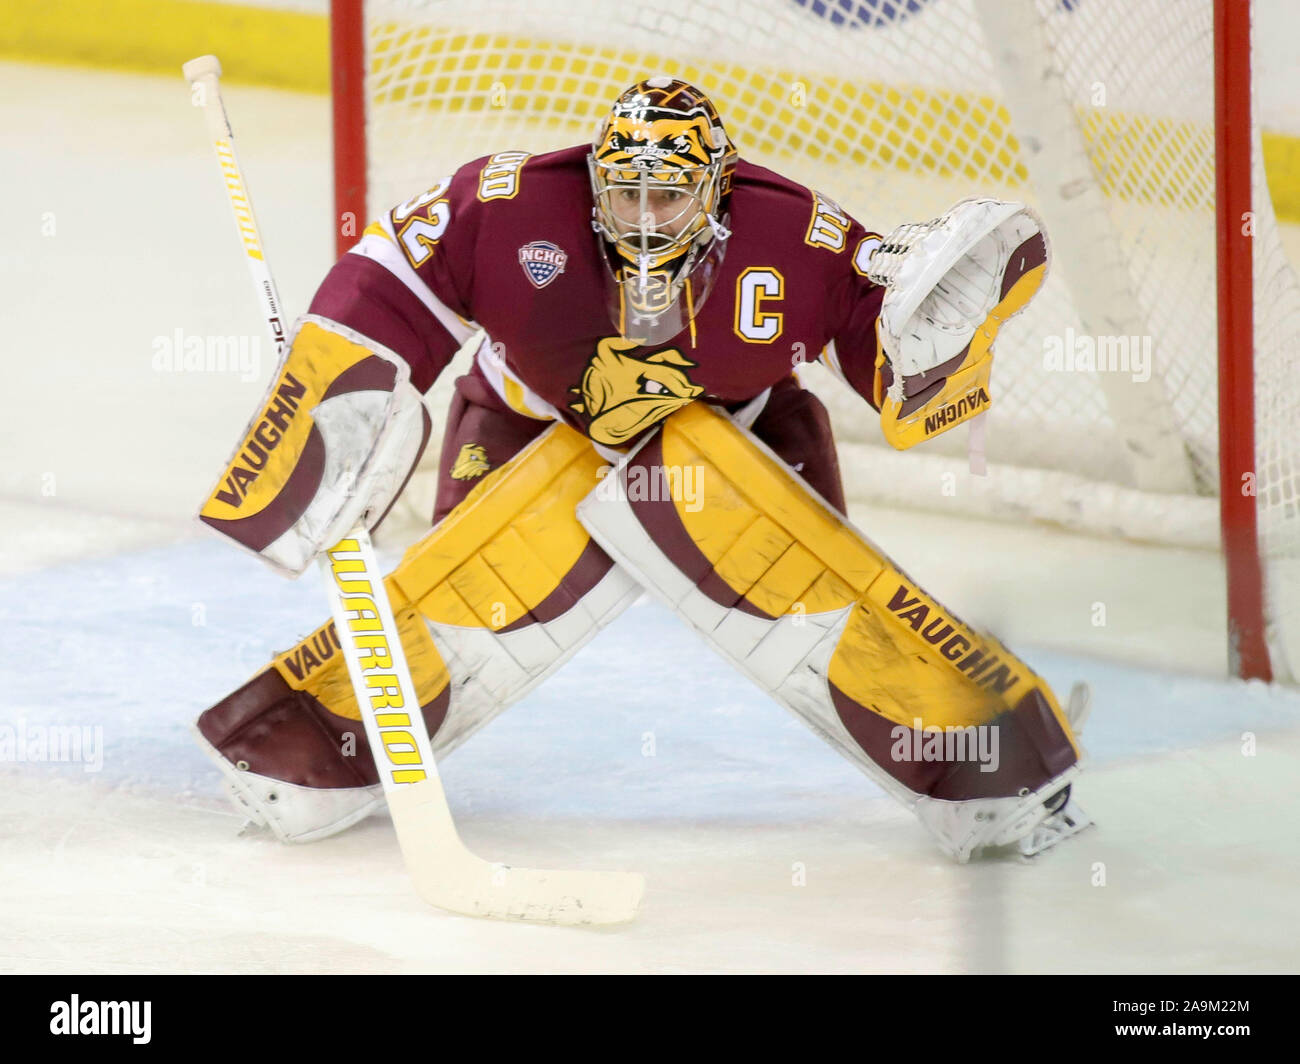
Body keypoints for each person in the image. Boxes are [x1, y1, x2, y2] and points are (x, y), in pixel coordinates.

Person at [194, 77, 1090, 859]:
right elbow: (387, 273)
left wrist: (931, 340)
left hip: (742, 438)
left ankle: (992, 765)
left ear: (719, 192)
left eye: (670, 198)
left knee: (829, 604)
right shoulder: (508, 204)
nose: (646, 218)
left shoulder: (796, 233)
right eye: (626, 195)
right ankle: (300, 750)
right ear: (593, 187)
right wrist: (338, 383)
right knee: (463, 602)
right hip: (526, 427)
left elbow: (900, 385)